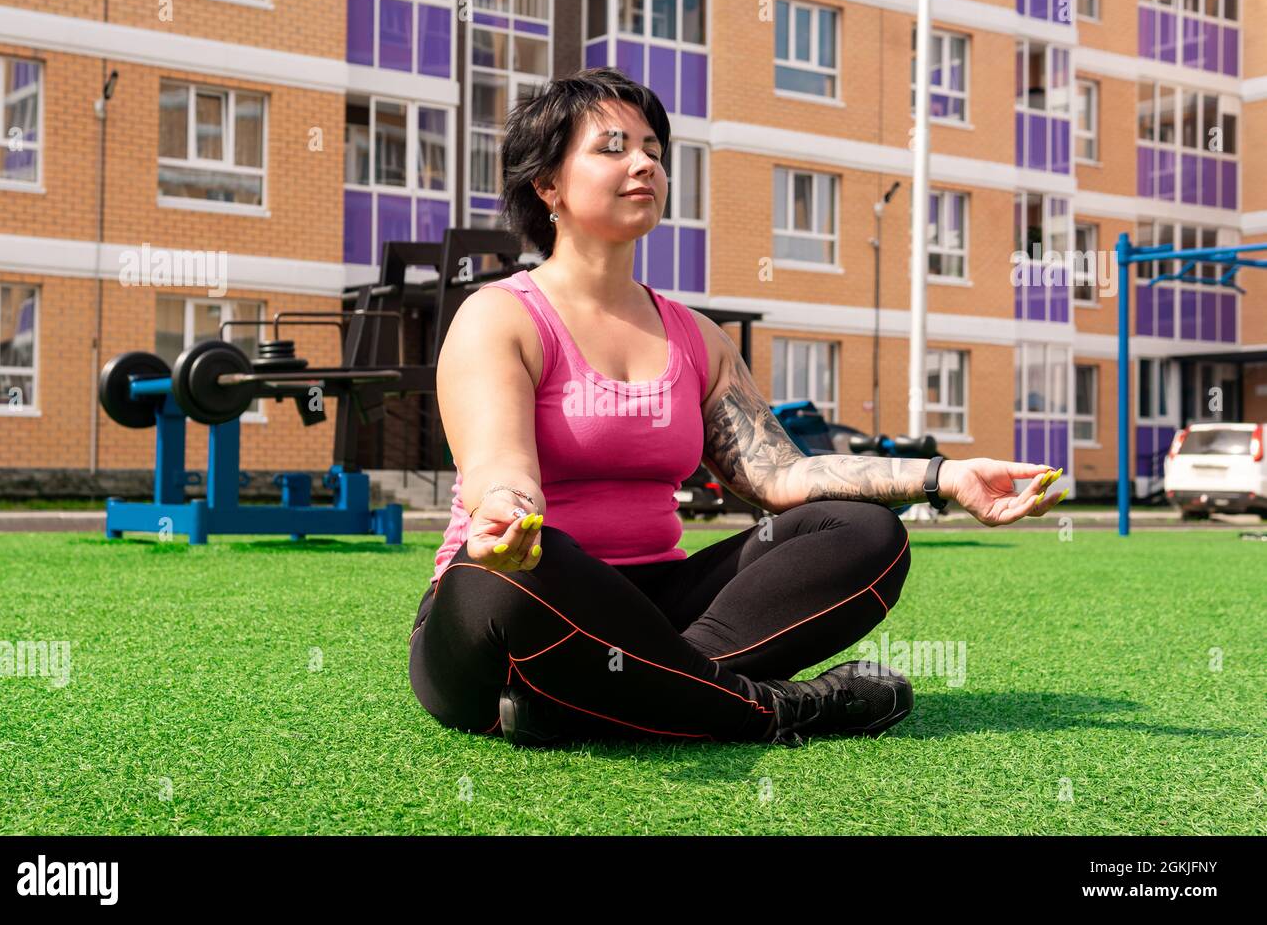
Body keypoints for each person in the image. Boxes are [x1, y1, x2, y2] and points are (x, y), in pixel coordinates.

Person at [407, 67, 1065, 747]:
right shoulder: (499, 317)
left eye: (654, 152)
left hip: (658, 611)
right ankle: (784, 708)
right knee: (509, 580)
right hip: (523, 603)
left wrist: (943, 478)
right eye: (612, 147)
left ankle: (601, 699)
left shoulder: (699, 339)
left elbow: (780, 477)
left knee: (865, 533)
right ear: (548, 185)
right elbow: (501, 468)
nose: (644, 164)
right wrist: (503, 516)